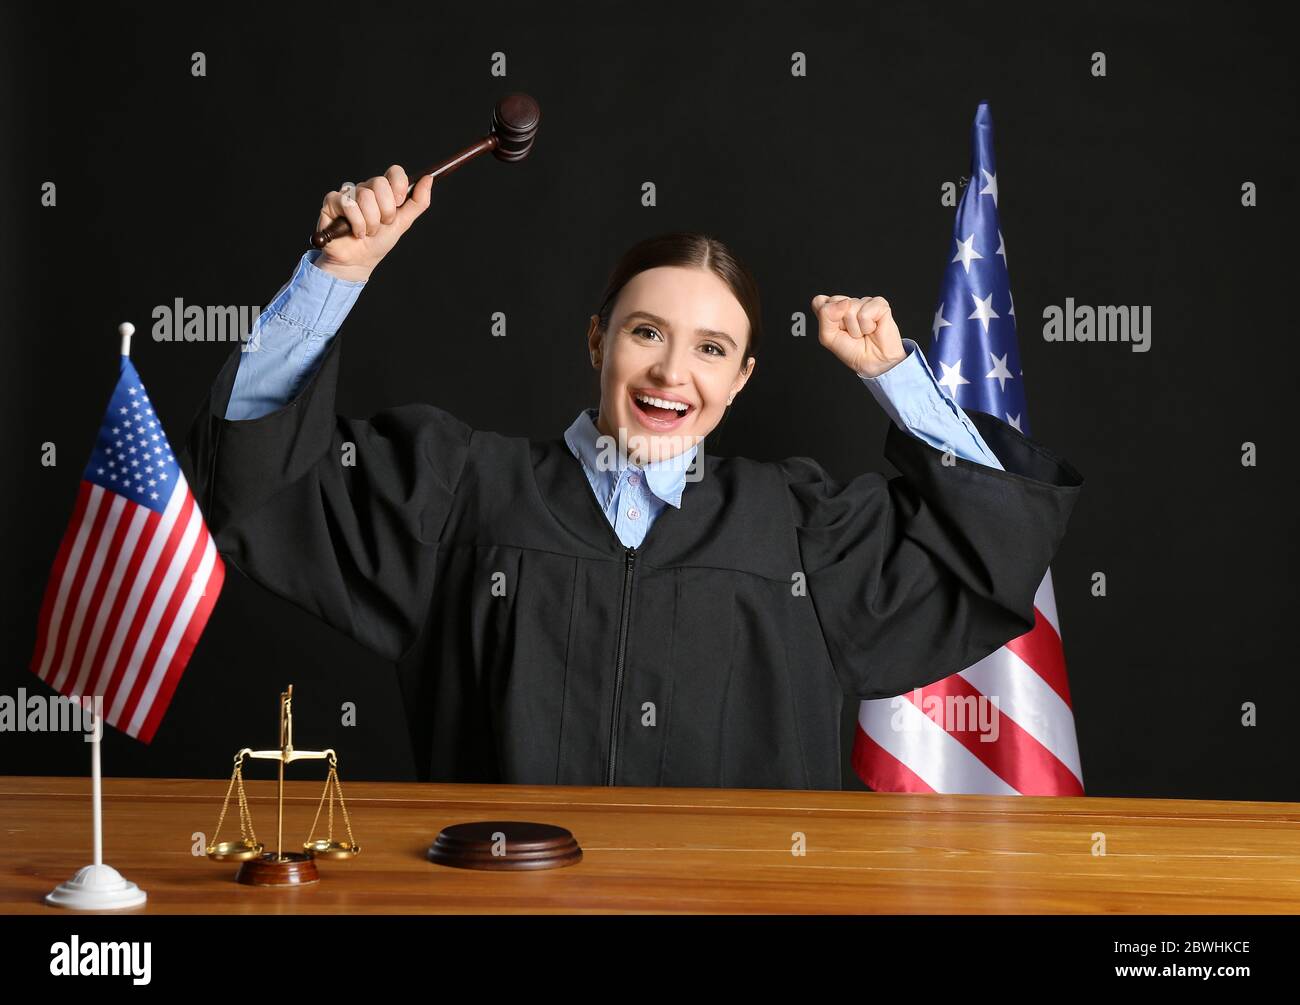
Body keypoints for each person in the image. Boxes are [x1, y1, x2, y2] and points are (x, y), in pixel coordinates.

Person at [182, 165, 1083, 790]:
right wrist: (335, 274)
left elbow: (994, 544)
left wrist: (897, 378)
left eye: (711, 349)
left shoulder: (799, 529)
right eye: (645, 332)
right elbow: (262, 482)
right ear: (596, 342)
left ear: (739, 383)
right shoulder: (461, 492)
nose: (671, 373)